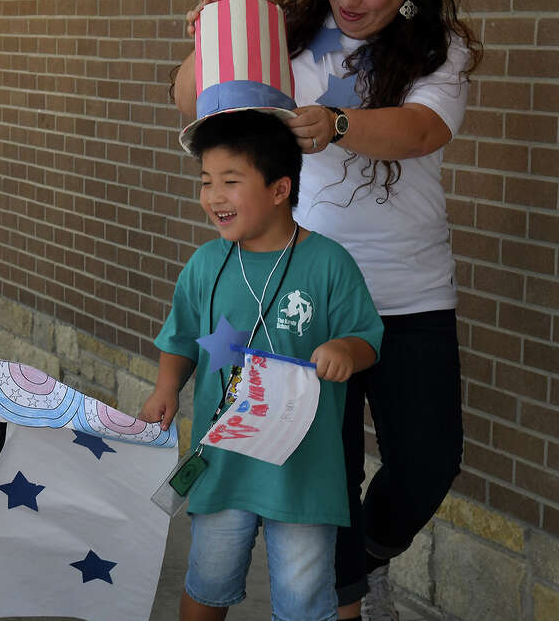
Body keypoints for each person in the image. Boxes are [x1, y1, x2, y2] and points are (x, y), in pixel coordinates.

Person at [173, 0, 482, 621]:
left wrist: (338, 122)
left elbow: (420, 132)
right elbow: (197, 103)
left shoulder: (441, 50)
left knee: (428, 462)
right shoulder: (285, 32)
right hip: (303, 288)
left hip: (408, 292)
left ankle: (366, 559)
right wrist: (207, 38)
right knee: (328, 474)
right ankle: (344, 600)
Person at [141, 101, 383, 620]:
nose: (213, 197)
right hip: (221, 463)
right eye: (206, 181)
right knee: (206, 581)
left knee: (303, 598)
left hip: (303, 469)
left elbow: (367, 336)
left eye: (230, 181)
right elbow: (180, 337)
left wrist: (346, 351)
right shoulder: (205, 263)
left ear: (280, 189)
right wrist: (166, 388)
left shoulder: (329, 263)